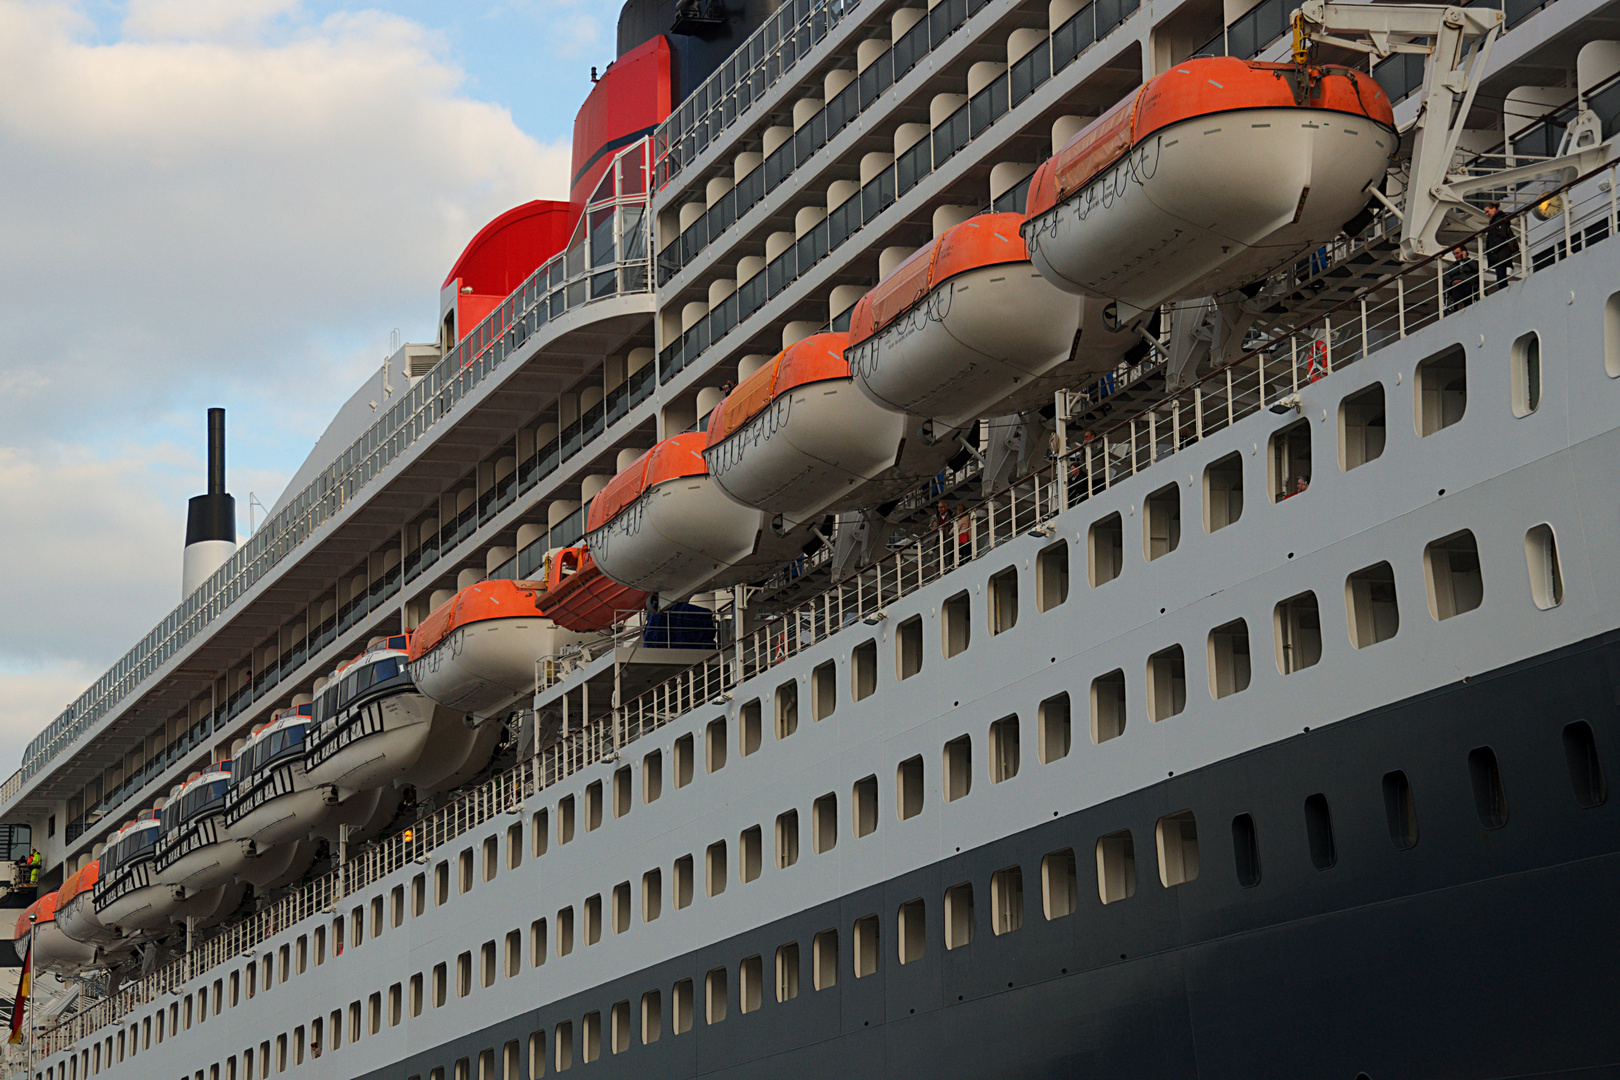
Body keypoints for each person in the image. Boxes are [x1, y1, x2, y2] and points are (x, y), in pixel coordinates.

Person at [1485, 203, 1516, 290]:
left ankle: (1504, 291)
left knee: (1501, 277)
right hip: (1500, 252)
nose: (1487, 214)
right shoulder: (1498, 219)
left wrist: (1494, 249)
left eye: (1487, 211)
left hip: (1500, 253)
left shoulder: (1498, 219)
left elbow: (1502, 235)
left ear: (1493, 209)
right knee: (1501, 277)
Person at [1444, 247, 1477, 313]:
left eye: (1457, 253)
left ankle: (1461, 305)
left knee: (1465, 284)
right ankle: (1459, 305)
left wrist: (1465, 259)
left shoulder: (1473, 263)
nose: (1456, 256)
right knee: (1457, 286)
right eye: (1454, 254)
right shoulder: (1451, 267)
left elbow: (1476, 269)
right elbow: (1446, 279)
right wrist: (1452, 282)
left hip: (1469, 286)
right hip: (1456, 287)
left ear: (1463, 252)